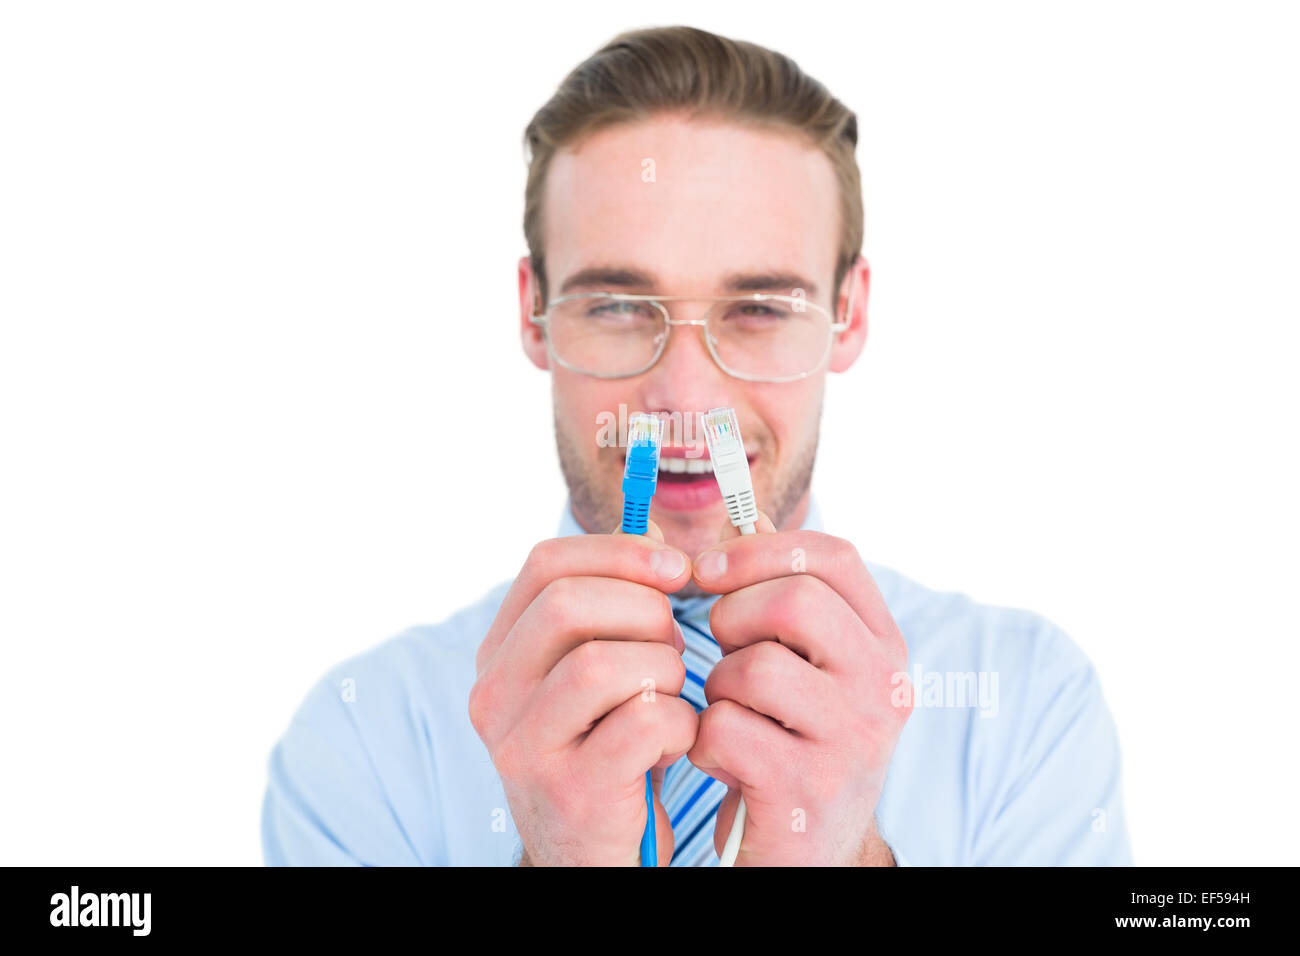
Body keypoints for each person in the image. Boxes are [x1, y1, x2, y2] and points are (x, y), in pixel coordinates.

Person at [261, 25, 1131, 866]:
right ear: (534, 316)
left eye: (757, 309)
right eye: (617, 306)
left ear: (849, 316)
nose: (686, 398)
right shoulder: (359, 745)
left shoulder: (1026, 710)